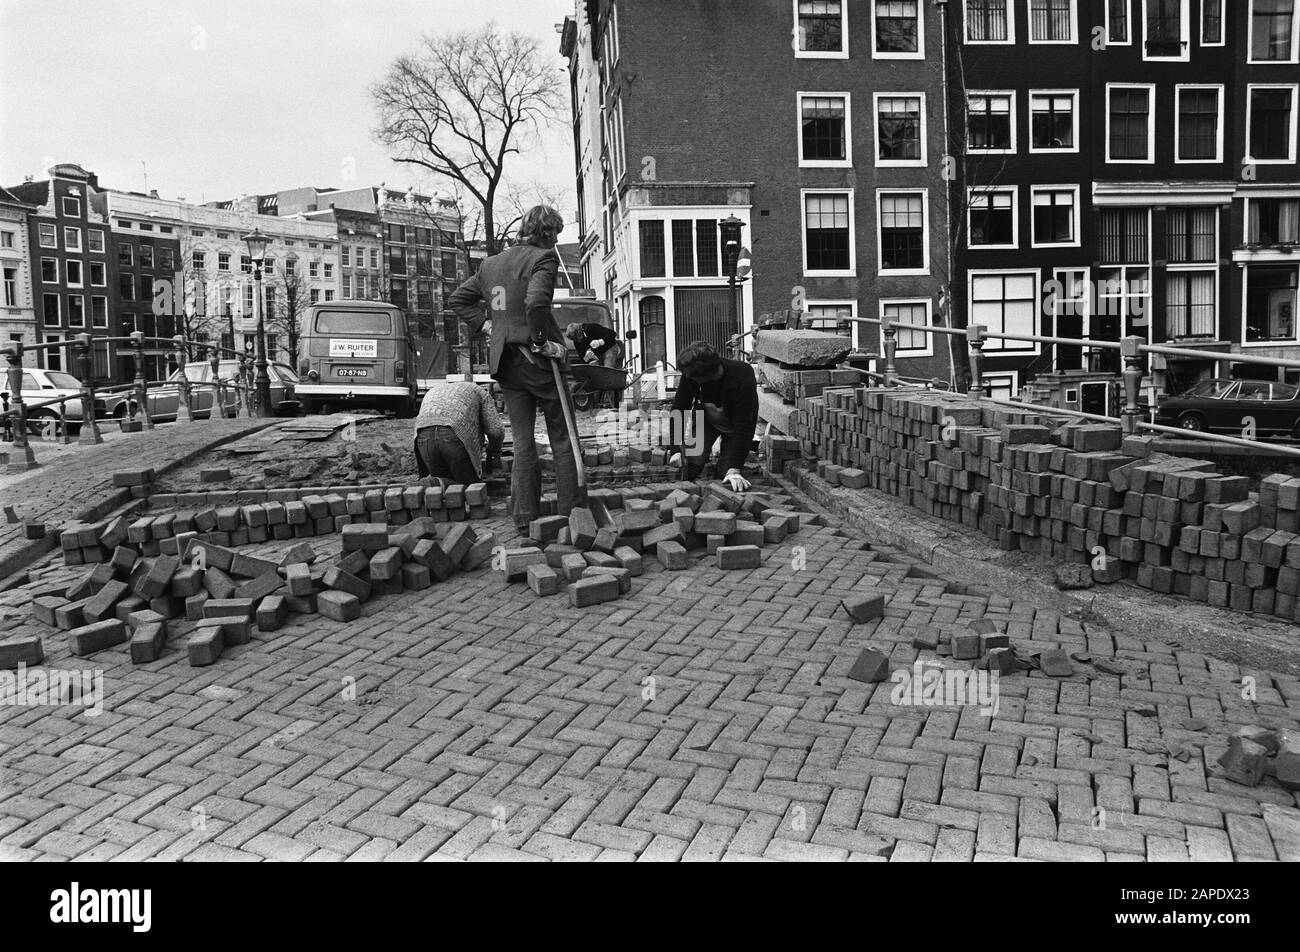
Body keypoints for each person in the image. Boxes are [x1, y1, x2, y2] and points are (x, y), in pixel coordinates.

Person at [446, 205, 580, 533]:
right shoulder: (542, 259)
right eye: (556, 235)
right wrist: (540, 341)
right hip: (538, 361)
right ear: (547, 233)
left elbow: (458, 300)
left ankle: (525, 520)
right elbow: (536, 303)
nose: (556, 241)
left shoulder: (490, 264)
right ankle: (572, 518)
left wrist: (490, 327)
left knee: (522, 441)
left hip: (505, 363)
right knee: (562, 437)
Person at [669, 340, 757, 492]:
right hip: (707, 421)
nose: (687, 378)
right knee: (693, 461)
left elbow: (745, 424)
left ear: (707, 375)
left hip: (735, 427)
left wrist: (734, 468)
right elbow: (679, 409)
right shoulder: (690, 373)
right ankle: (687, 487)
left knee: (726, 474)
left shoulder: (742, 374)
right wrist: (675, 448)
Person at [412, 379, 504, 486]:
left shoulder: (434, 390)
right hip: (454, 433)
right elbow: (496, 431)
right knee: (471, 489)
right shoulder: (481, 393)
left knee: (440, 492)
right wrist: (494, 451)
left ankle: (433, 484)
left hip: (423, 436)